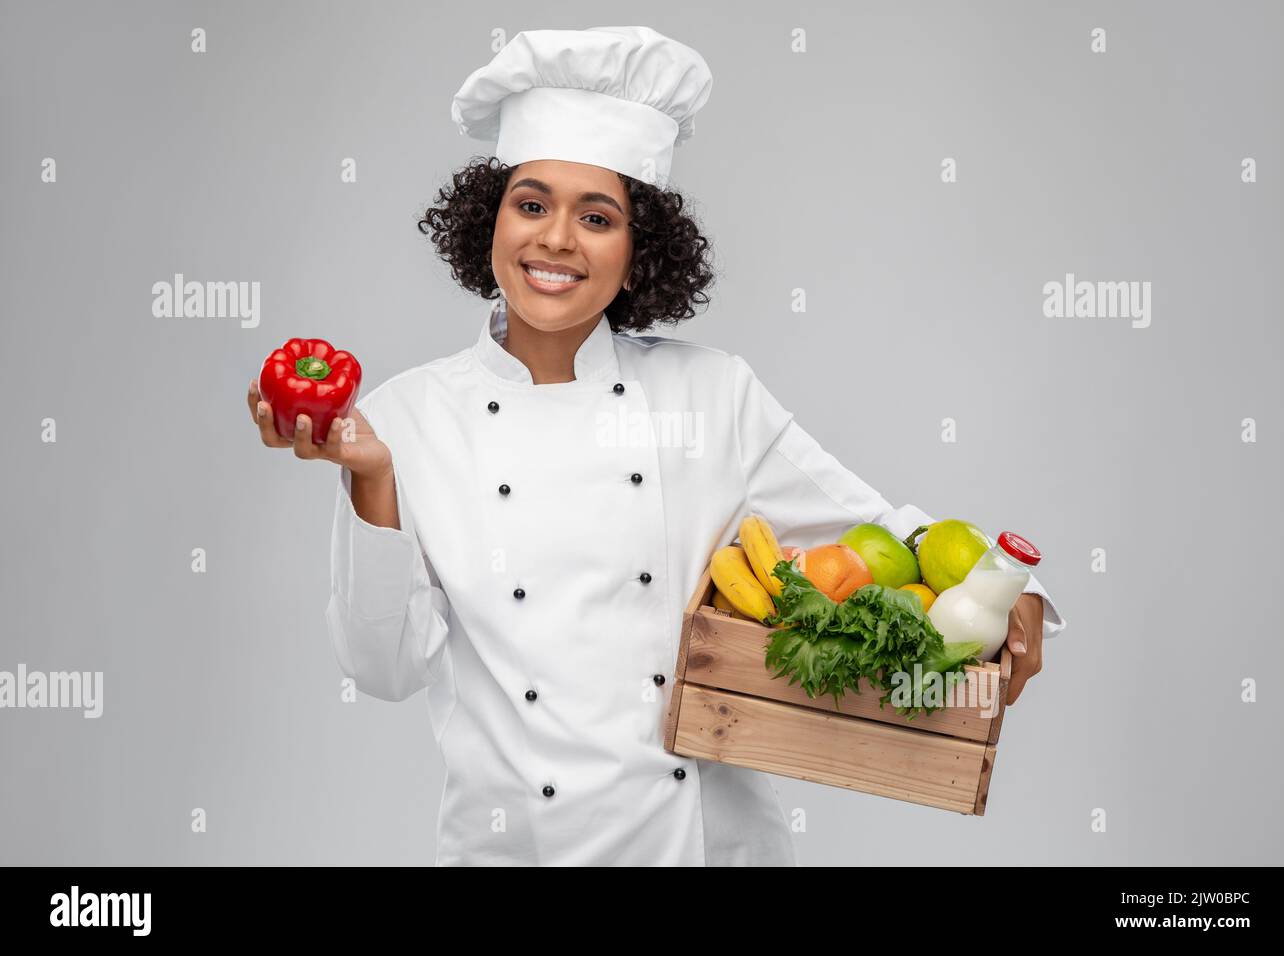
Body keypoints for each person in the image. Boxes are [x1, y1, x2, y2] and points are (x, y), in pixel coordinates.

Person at [246, 26, 1066, 866]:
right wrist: (372, 481)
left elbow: (881, 534)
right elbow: (381, 670)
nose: (557, 240)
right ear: (487, 222)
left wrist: (1018, 593)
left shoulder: (710, 396)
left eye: (596, 218)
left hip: (704, 849)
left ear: (639, 255)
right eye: (531, 204)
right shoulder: (406, 418)